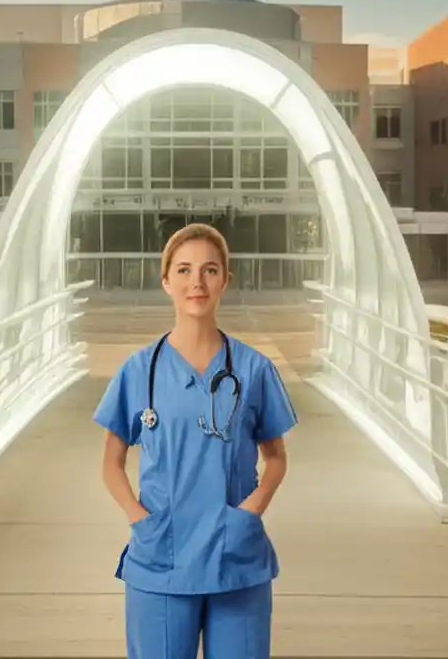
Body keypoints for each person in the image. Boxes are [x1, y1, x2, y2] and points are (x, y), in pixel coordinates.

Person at [94, 222, 298, 659]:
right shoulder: (138, 370)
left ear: (226, 278)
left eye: (209, 270)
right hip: (161, 556)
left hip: (235, 557)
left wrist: (249, 513)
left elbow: (276, 458)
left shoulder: (254, 368)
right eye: (184, 270)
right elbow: (111, 464)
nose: (197, 282)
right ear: (166, 280)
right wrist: (141, 520)